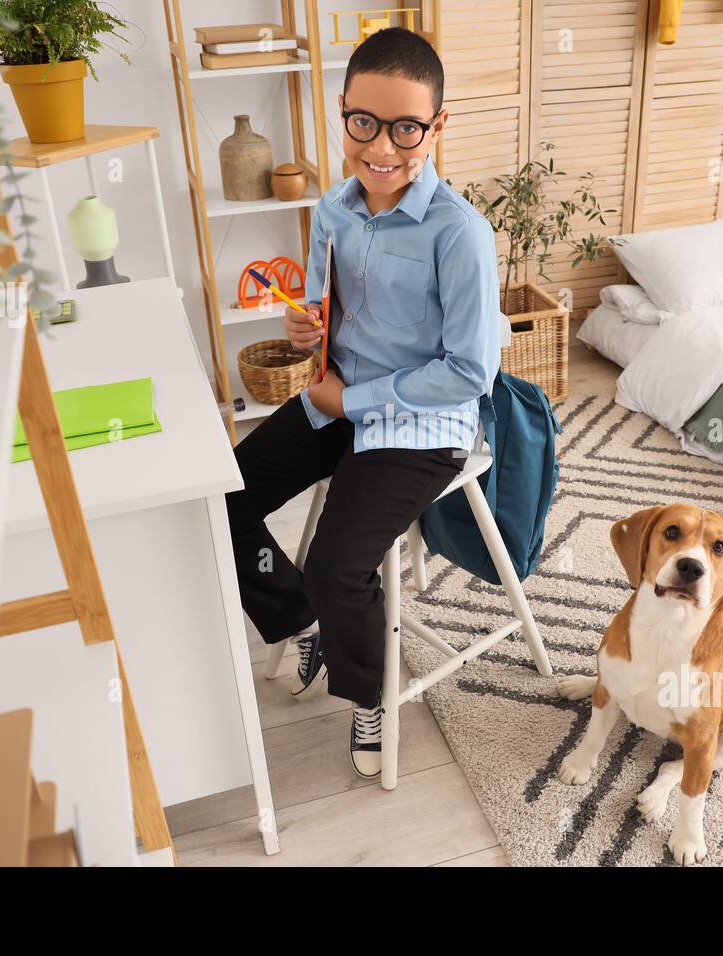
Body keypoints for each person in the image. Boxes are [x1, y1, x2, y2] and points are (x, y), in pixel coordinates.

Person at [224, 26, 502, 779]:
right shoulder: (335, 208)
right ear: (342, 112)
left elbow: (470, 372)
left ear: (436, 127)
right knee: (219, 496)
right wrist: (306, 323)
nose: (383, 146)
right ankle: (298, 619)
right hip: (337, 393)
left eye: (407, 127)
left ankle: (368, 689)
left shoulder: (461, 235)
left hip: (421, 418)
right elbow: (323, 308)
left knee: (338, 564)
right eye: (365, 123)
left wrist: (357, 402)